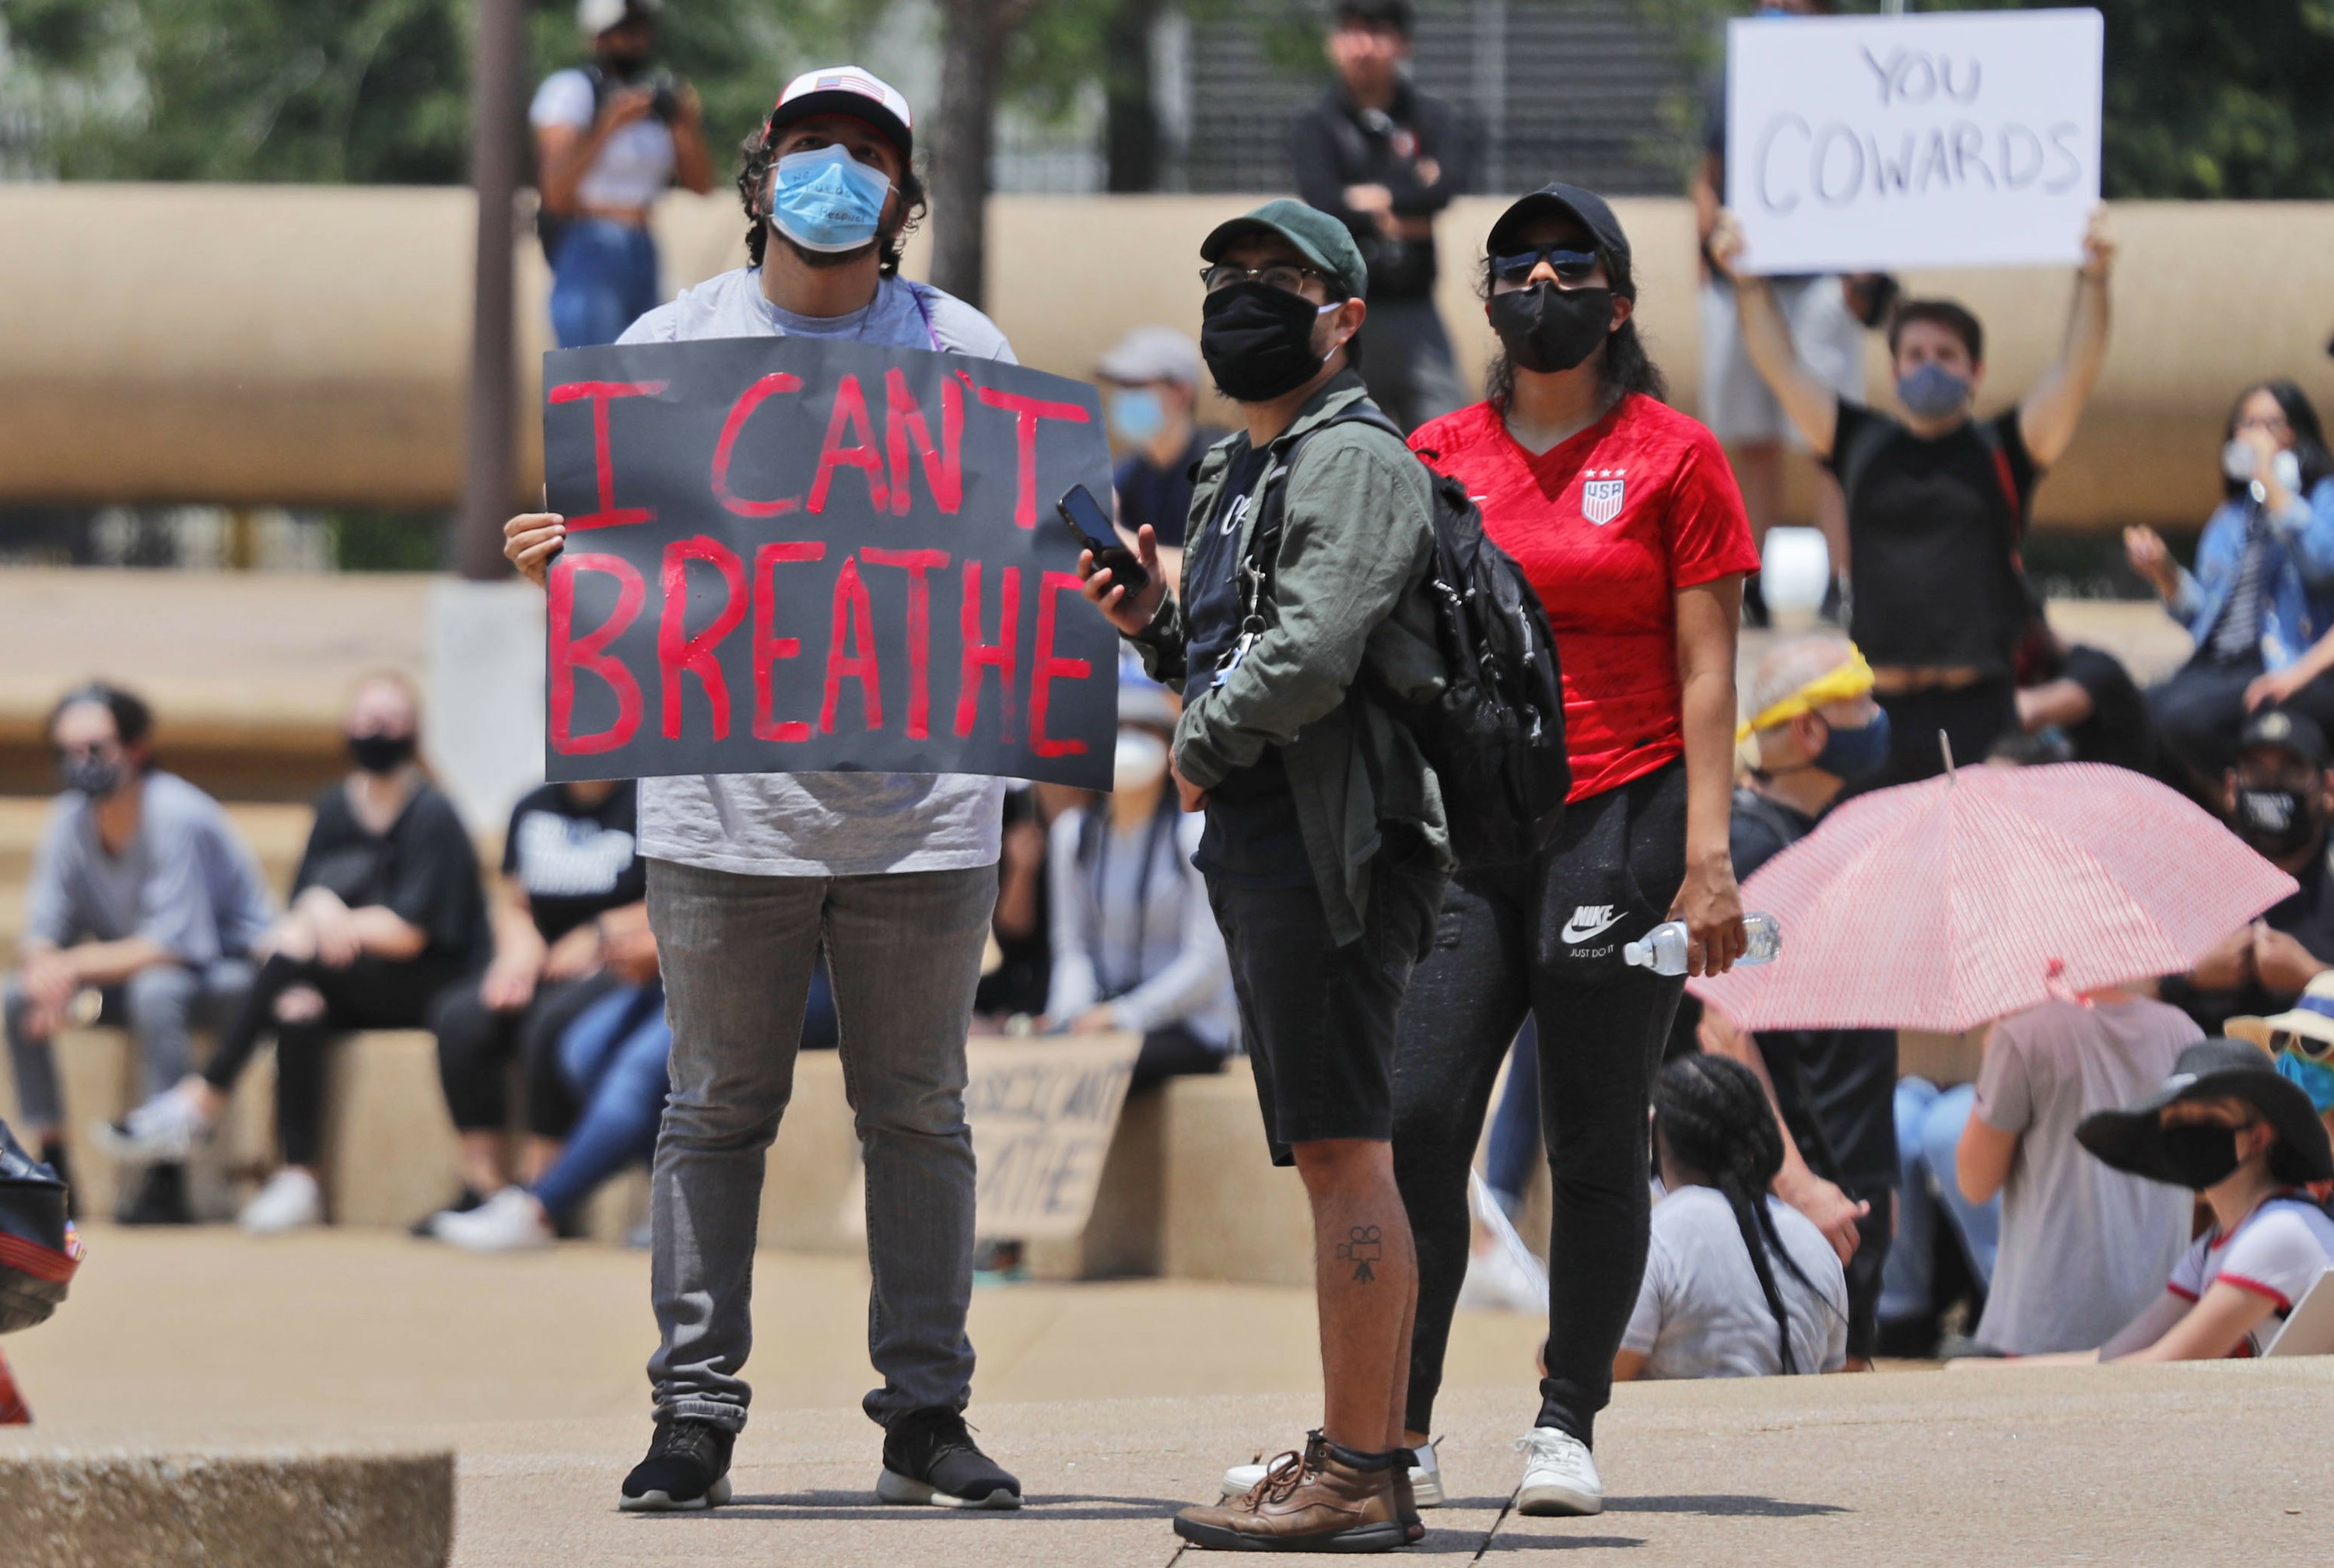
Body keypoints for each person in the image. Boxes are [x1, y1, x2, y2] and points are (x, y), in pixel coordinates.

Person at [502, 67, 1024, 1515]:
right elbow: (635, 580)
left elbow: (1022, 553)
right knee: (714, 1106)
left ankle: (928, 1414)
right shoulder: (670, 349)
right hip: (723, 810)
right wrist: (574, 573)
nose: (839, 171)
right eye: (812, 146)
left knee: (919, 1113)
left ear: (904, 199)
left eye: (871, 152)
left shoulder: (962, 350)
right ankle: (694, 1416)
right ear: (759, 176)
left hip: (925, 817)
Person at [1081, 198, 1449, 1552]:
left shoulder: (1352, 459)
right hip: (1271, 839)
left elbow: (1308, 658)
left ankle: (1360, 1470)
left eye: (1277, 279)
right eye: (1227, 274)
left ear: (1344, 318)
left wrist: (1191, 737)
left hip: (1337, 850)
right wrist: (1156, 628)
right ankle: (1364, 1454)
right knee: (1334, 1156)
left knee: (1349, 1155)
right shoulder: (1242, 467)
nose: (1241, 294)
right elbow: (1237, 649)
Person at [1386, 182, 1755, 1521]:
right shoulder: (1435, 454)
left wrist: (1709, 856)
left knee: (1597, 1133)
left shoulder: (1677, 456)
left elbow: (1711, 672)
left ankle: (1567, 1418)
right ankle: (1397, 1428)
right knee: (1418, 1117)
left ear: (1620, 297)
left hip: (1629, 809)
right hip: (1472, 827)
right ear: (1484, 299)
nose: (1544, 282)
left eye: (1572, 261)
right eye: (1518, 263)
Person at [1708, 208, 2115, 789]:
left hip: (1983, 711)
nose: (1930, 367)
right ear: (1895, 371)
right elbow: (1781, 366)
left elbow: (2076, 372)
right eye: (1916, 356)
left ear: (1975, 371)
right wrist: (1746, 282)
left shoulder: (2006, 448)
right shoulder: (1857, 442)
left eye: (1946, 356)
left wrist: (2094, 277)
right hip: (1878, 714)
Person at [96, 674, 489, 1234]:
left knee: (293, 960)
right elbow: (304, 897)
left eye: (391, 721)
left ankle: (202, 1099)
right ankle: (298, 1180)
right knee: (297, 1005)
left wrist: (327, 917)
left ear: (415, 732)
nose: (376, 731)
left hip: (429, 983)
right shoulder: (333, 809)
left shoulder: (433, 814)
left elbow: (409, 932)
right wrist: (320, 907)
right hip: (347, 979)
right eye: (365, 719)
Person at [1693, 635, 1898, 1363]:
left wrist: (1879, 1176)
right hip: (1798, 1197)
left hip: (1850, 1185)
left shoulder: (1826, 833)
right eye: (1862, 703)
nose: (1878, 718)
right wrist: (1799, 1182)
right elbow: (1722, 1030)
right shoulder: (1750, 848)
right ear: (1811, 730)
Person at [5, 684, 273, 1226]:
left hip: (232, 984)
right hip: (124, 983)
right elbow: (43, 926)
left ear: (137, 748)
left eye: (96, 749)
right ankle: (52, 1170)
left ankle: (166, 1176)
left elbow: (175, 948)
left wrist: (71, 966)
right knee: (14, 997)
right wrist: (45, 969)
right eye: (68, 753)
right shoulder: (69, 820)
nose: (82, 764)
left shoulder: (179, 815)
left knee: (159, 990)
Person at [1691, 0, 1871, 624]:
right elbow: (1709, 172)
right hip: (1743, 280)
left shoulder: (1855, 70)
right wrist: (1709, 253)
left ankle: (1844, 585)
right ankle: (1751, 585)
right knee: (1749, 437)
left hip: (1823, 278)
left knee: (1831, 439)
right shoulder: (1736, 67)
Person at [2008, 1038, 2334, 1363]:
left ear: (2257, 1138)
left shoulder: (2279, 1231)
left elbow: (2161, 1366)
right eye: (2176, 1122)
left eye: (2210, 1119)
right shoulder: (2210, 1247)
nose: (2188, 1137)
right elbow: (2108, 1359)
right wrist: (1987, 1371)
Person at [419, 778, 645, 1231]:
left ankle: (540, 1187)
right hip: (542, 961)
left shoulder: (648, 802)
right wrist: (518, 953)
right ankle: (481, 1183)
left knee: (551, 1023)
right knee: (461, 1017)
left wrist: (600, 933)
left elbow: (673, 897)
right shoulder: (532, 805)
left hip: (620, 963)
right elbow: (514, 901)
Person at [1950, 988, 2202, 1356]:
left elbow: (1974, 1184)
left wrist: (1992, 1064)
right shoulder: (2184, 1032)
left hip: (2045, 1327)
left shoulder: (2022, 1036)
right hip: (2160, 1319)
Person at [2126, 381, 2334, 805]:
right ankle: (2216, 816)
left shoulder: (2323, 496)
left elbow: (2324, 562)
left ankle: (2256, 804)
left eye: (2272, 423)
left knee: (2184, 718)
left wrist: (2273, 485)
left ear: (2298, 433)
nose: (2257, 433)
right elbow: (2201, 617)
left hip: (2284, 661)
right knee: (2137, 711)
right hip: (2217, 665)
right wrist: (2164, 571)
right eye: (2247, 423)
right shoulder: (2228, 518)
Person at [430, 904, 668, 1252]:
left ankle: (539, 1208)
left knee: (636, 1072)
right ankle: (679, 1210)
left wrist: (658, 940)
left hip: (731, 963)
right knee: (584, 1051)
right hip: (673, 965)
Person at [1044, 673, 1238, 1092]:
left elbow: (1209, 961)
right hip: (1101, 1023)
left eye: (1143, 729)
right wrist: (1068, 1017)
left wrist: (1122, 1016)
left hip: (1193, 1026)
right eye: (1119, 730)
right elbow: (1071, 946)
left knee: (1092, 1073)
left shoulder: (1194, 832)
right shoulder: (1073, 834)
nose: (1129, 742)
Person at [1289, 0, 1470, 432]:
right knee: (1336, 444)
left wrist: (1366, 196)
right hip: (1343, 318)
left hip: (1416, 310)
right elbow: (1325, 203)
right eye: (1351, 32)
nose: (1362, 47)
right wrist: (1405, 195)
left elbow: (1443, 192)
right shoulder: (1317, 125)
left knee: (1446, 444)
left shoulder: (1431, 117)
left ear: (1403, 44)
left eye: (1376, 32)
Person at [1616, 1054, 1848, 1381]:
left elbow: (1605, 1376)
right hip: (1794, 1431)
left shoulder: (1653, 1237)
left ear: (1654, 1131)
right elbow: (1836, 1378)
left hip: (1685, 1431)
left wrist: (1556, 1351)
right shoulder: (1815, 1245)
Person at [532, 0, 713, 348]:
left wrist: (684, 124)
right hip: (589, 246)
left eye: (644, 29)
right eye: (626, 29)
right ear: (599, 37)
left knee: (645, 382)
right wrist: (610, 124)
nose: (638, 40)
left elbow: (701, 186)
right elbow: (555, 192)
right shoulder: (571, 90)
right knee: (595, 376)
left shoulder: (654, 99)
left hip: (643, 247)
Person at [2158, 708, 2334, 1037]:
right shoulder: (2189, 869)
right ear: (2231, 786)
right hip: (2205, 1070)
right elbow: (2116, 989)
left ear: (2327, 788)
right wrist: (2185, 978)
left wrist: (2314, 977)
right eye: (2255, 771)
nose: (2272, 785)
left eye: (2290, 771)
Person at [1098, 326, 1225, 593]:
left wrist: (1123, 545)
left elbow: (1219, 573)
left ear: (1181, 392)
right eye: (1120, 386)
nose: (1123, 397)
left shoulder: (1225, 465)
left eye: (1135, 385)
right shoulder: (1128, 473)